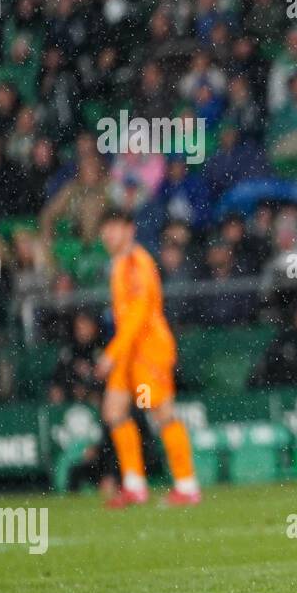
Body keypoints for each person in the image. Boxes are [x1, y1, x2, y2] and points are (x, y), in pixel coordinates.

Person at [95, 210, 201, 507]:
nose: (108, 234)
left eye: (114, 227)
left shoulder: (137, 262)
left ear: (129, 230)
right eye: (106, 229)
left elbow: (140, 313)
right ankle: (134, 485)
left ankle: (187, 485)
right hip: (129, 351)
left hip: (148, 350)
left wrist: (112, 352)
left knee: (162, 414)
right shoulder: (119, 264)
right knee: (114, 412)